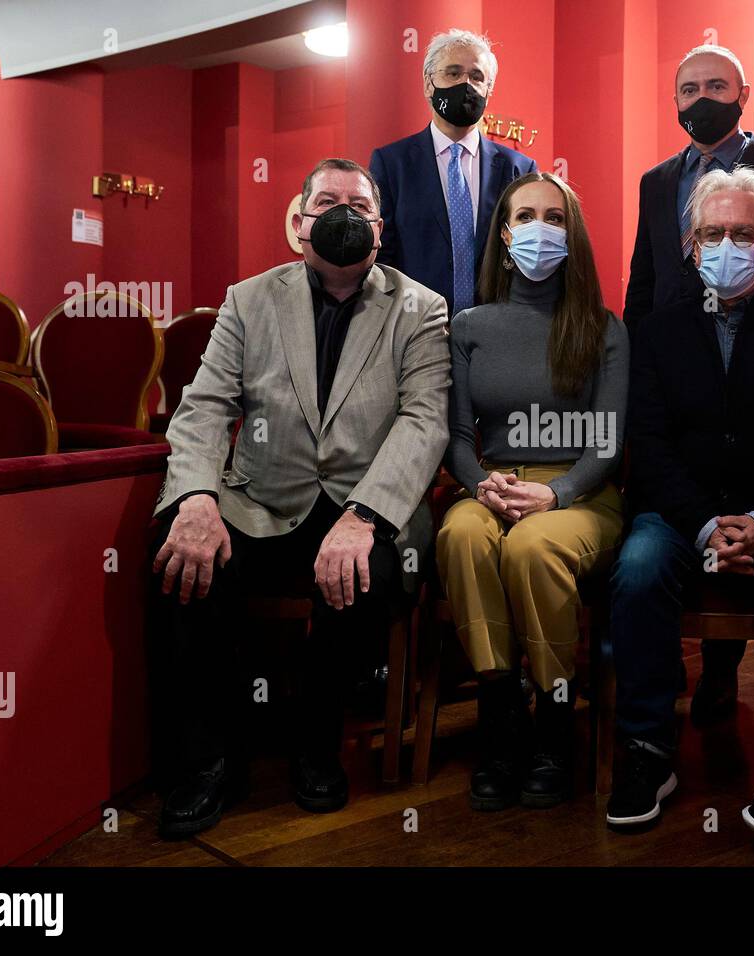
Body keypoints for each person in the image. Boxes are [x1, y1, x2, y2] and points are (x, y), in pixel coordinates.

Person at [147, 158, 451, 838]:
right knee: (178, 557)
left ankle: (319, 747)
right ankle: (207, 761)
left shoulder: (421, 308)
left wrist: (365, 516)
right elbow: (201, 411)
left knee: (362, 572)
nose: (343, 214)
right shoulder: (249, 299)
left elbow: (424, 421)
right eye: (326, 202)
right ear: (298, 223)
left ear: (379, 229)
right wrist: (197, 497)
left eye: (360, 205)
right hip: (259, 498)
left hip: (360, 501)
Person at [606, 167, 754, 850]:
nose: (728, 245)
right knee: (636, 569)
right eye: (713, 233)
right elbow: (648, 444)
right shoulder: (656, 333)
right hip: (681, 516)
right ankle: (648, 749)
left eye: (745, 234)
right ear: (689, 244)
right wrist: (707, 525)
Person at [623, 42, 754, 725]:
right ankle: (647, 734)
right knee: (646, 557)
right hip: (678, 378)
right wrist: (640, 365)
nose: (700, 98)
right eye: (688, 88)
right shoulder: (659, 181)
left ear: (743, 96)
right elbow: (644, 281)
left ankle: (729, 683)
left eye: (717, 85)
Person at [435, 171, 628, 812]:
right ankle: (499, 712)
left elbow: (607, 442)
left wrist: (558, 494)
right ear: (504, 232)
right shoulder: (467, 325)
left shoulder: (603, 326)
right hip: (493, 484)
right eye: (525, 217)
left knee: (533, 548)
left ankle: (553, 717)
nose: (539, 229)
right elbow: (459, 435)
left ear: (572, 235)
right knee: (460, 533)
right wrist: (479, 485)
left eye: (554, 217)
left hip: (580, 494)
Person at [370, 28, 538, 316]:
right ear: (428, 84)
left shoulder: (519, 169)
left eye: (476, 77)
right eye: (453, 73)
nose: (466, 84)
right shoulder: (391, 163)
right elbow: (381, 256)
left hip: (494, 331)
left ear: (489, 90)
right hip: (414, 329)